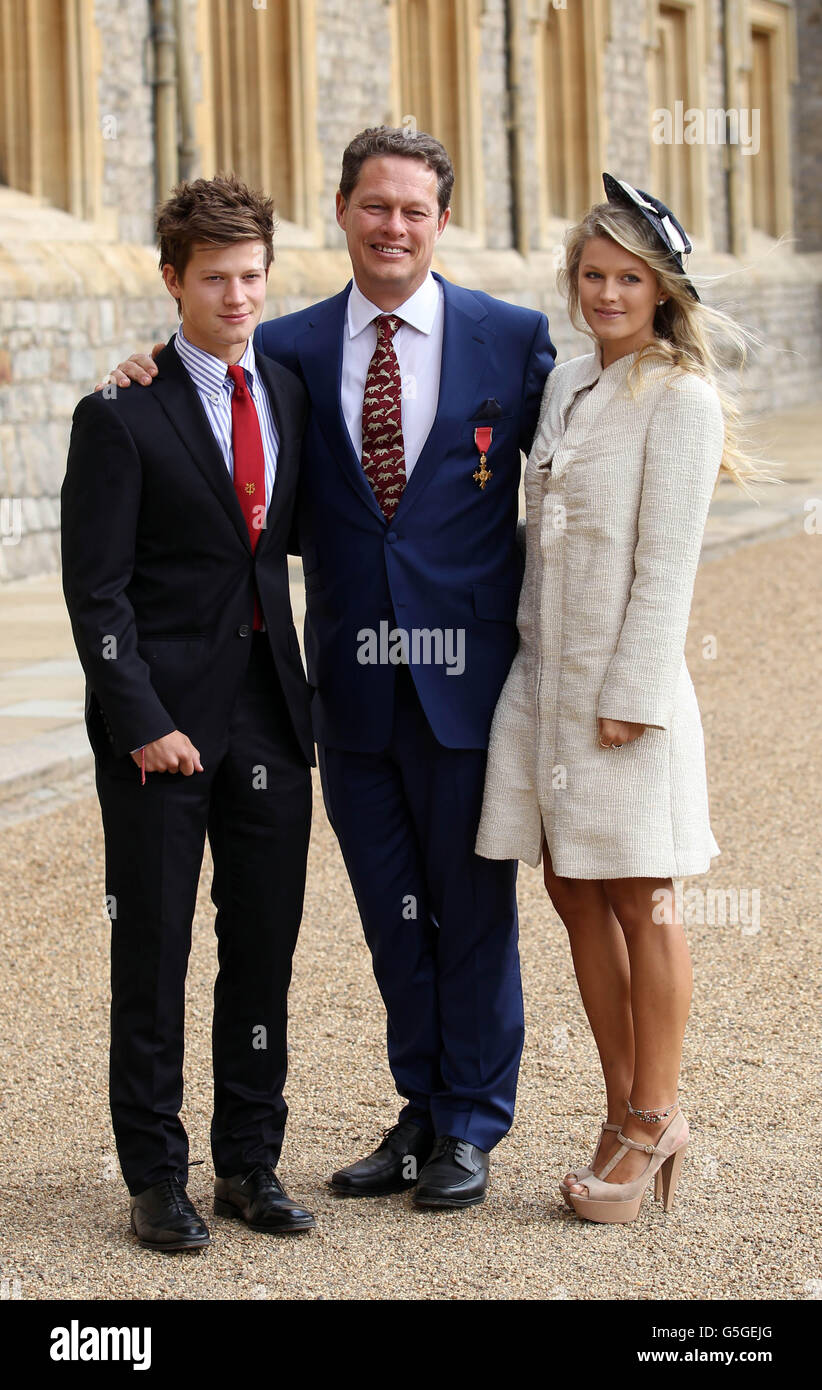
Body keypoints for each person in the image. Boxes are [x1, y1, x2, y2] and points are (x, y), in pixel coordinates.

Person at [103, 127, 556, 1209]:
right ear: (341, 211)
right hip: (344, 688)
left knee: (472, 908)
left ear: (442, 220)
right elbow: (207, 406)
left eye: (414, 209)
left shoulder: (516, 339)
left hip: (467, 680)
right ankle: (418, 1108)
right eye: (374, 206)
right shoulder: (293, 348)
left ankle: (471, 1123)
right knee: (391, 910)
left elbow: (585, 438)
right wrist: (137, 367)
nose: (393, 226)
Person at [476, 174, 763, 1222]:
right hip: (543, 683)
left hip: (620, 694)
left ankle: (655, 1118)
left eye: (625, 278)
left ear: (660, 289)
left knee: (642, 895)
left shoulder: (679, 398)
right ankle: (617, 1107)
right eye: (592, 275)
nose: (605, 292)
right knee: (570, 889)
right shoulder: (568, 384)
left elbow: (667, 563)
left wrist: (632, 693)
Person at [62, 175, 317, 1250]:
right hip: (159, 727)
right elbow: (97, 590)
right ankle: (156, 1176)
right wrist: (139, 719)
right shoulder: (119, 411)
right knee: (154, 951)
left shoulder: (291, 393)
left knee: (262, 947)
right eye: (214, 279)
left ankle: (248, 1163)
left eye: (252, 276)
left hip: (269, 714)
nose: (237, 297)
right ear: (172, 281)